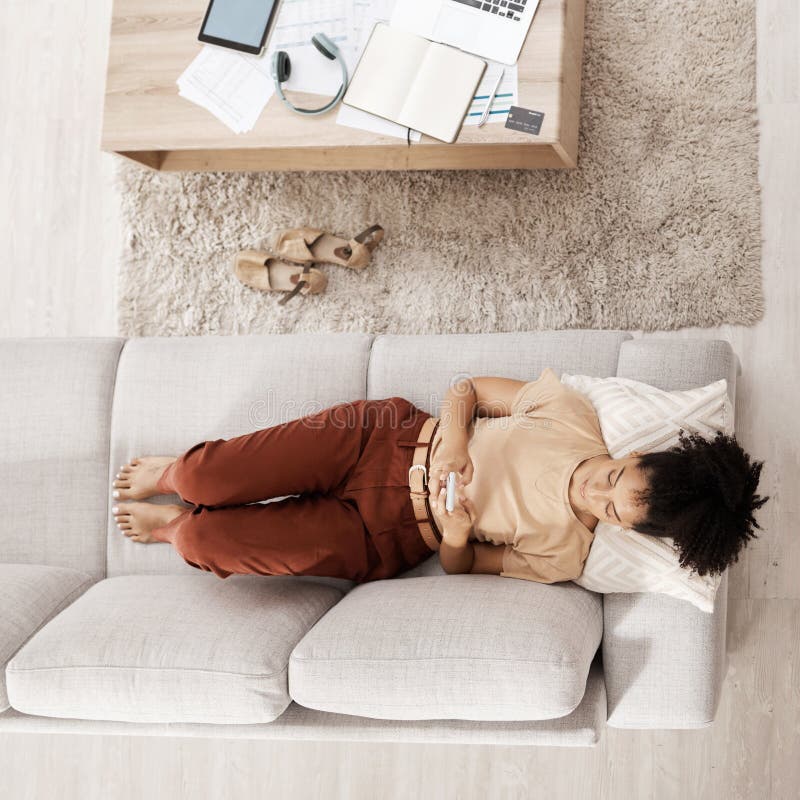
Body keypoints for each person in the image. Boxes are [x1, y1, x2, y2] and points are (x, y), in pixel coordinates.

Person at [110, 369, 768, 584]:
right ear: (632, 454)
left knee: (201, 544)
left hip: (382, 536)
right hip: (381, 441)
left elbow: (462, 566)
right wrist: (455, 440)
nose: (593, 492)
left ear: (626, 528)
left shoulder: (565, 554)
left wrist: (453, 534)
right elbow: (467, 388)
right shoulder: (570, 415)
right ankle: (175, 473)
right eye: (612, 475)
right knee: (202, 478)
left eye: (614, 509)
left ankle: (174, 534)